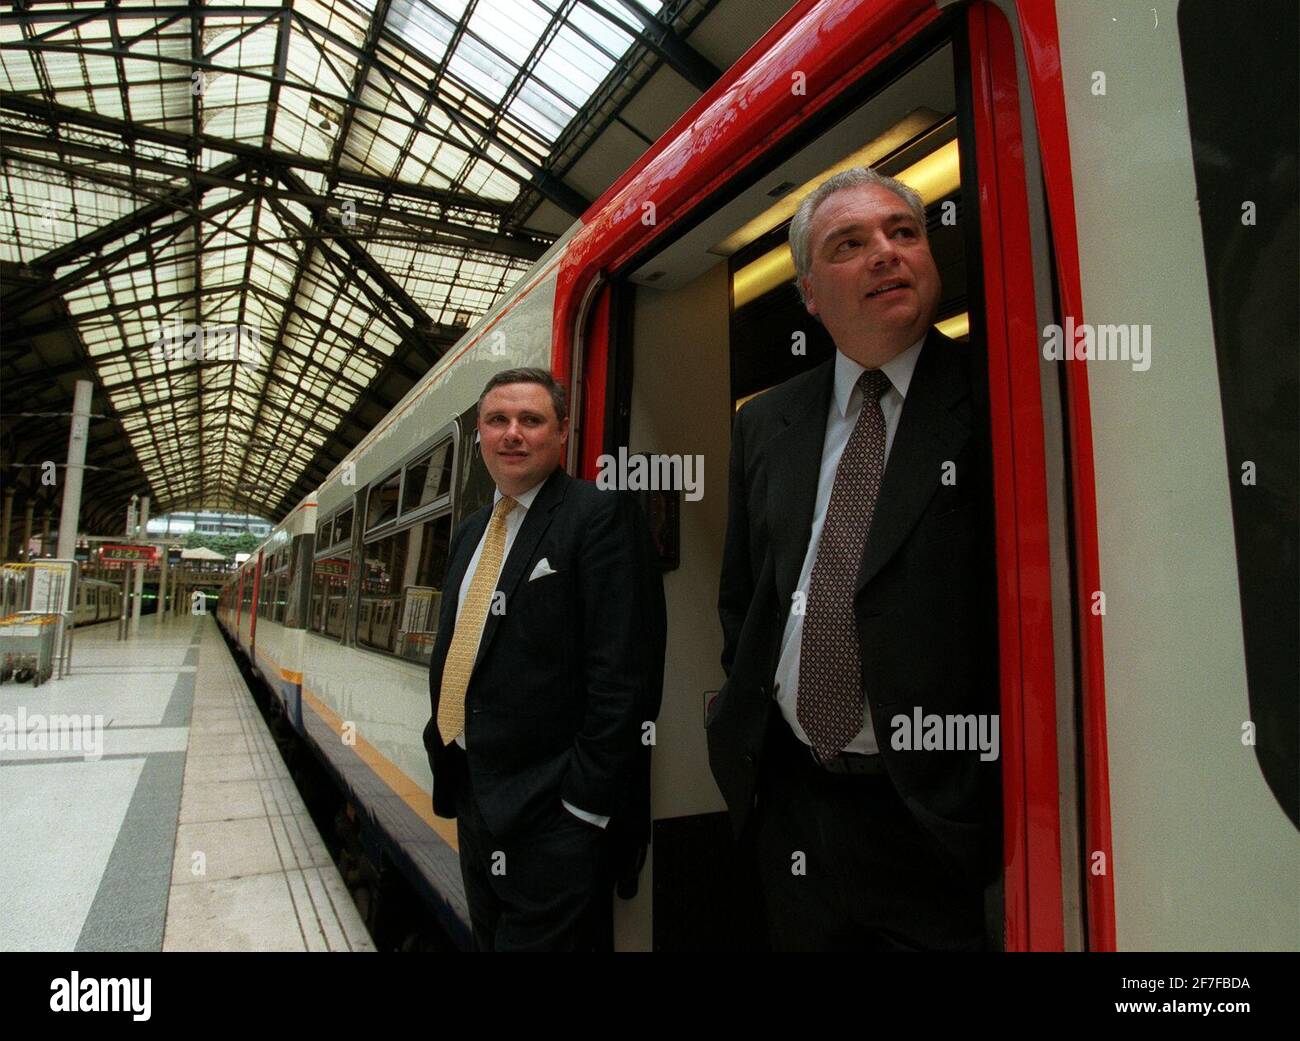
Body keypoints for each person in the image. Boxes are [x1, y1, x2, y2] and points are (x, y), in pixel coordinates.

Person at [709, 167, 999, 951]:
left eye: (903, 233)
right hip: (794, 798)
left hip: (935, 817)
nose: (886, 253)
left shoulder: (1000, 393)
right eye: (851, 243)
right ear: (809, 293)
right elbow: (746, 595)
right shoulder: (767, 422)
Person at [422, 367, 664, 952]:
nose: (512, 434)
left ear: (561, 434)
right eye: (497, 421)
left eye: (531, 420)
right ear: (479, 434)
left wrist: (583, 810)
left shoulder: (599, 515)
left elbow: (624, 676)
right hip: (475, 798)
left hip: (554, 816)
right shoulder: (472, 531)